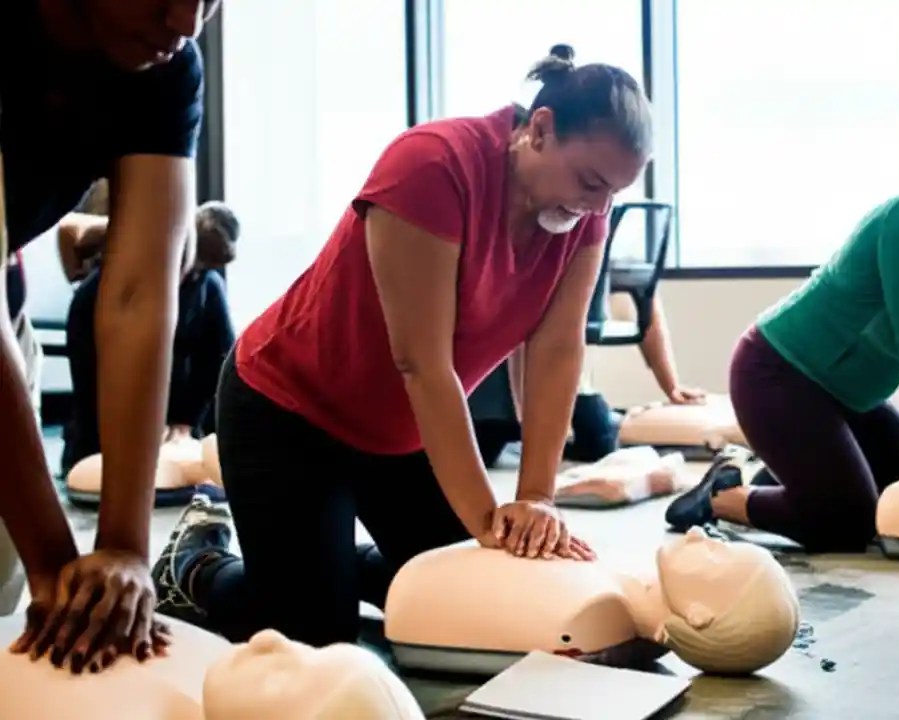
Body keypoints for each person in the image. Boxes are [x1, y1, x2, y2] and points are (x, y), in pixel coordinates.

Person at [149, 44, 652, 648]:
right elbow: (421, 361)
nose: (599, 208)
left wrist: (536, 499)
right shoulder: (434, 165)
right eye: (591, 183)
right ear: (540, 131)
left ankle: (334, 563)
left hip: (401, 434)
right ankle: (197, 565)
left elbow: (557, 348)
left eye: (614, 194)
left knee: (482, 600)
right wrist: (490, 524)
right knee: (318, 637)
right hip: (289, 412)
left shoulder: (583, 215)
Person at [665, 114, 899, 553]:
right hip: (781, 375)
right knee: (849, 521)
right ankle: (721, 497)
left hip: (853, 398)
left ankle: (777, 472)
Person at [0, 0, 220, 675]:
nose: (185, 21)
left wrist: (123, 546)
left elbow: (137, 295)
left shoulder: (165, 69)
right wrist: (54, 562)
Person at [61, 200, 239, 473]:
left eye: (202, 269)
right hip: (107, 417)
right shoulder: (99, 290)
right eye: (190, 263)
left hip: (173, 417)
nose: (189, 275)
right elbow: (88, 380)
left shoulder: (207, 288)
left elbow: (217, 360)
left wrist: (185, 421)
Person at [473, 284, 703, 467]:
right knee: (476, 453)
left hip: (559, 382)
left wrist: (671, 385)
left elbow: (647, 300)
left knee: (599, 440)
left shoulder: (593, 238)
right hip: (487, 388)